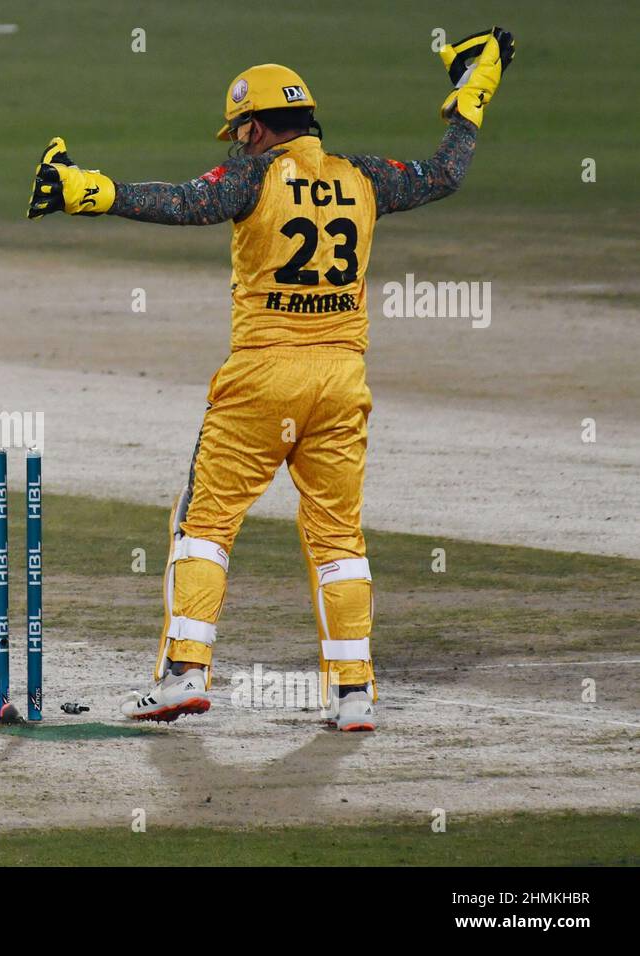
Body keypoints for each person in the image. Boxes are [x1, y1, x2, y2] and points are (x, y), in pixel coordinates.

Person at [27, 28, 515, 730]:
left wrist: (84, 189)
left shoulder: (255, 178)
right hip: (344, 381)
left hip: (262, 380)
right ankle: (352, 695)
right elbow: (446, 174)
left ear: (255, 127)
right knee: (338, 538)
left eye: (238, 132)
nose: (235, 143)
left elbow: (181, 201)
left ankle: (185, 676)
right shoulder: (364, 176)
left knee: (204, 525)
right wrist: (472, 95)